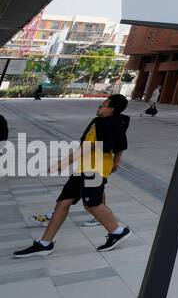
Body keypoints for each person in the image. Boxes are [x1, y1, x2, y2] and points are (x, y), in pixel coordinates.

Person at [14, 94, 132, 257]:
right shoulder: (110, 122)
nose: (99, 107)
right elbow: (121, 145)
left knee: (92, 204)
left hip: (94, 169)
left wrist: (62, 163)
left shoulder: (107, 124)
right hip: (84, 169)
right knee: (63, 202)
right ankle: (45, 243)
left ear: (111, 109)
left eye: (103, 104)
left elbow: (90, 147)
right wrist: (116, 162)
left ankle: (117, 231)